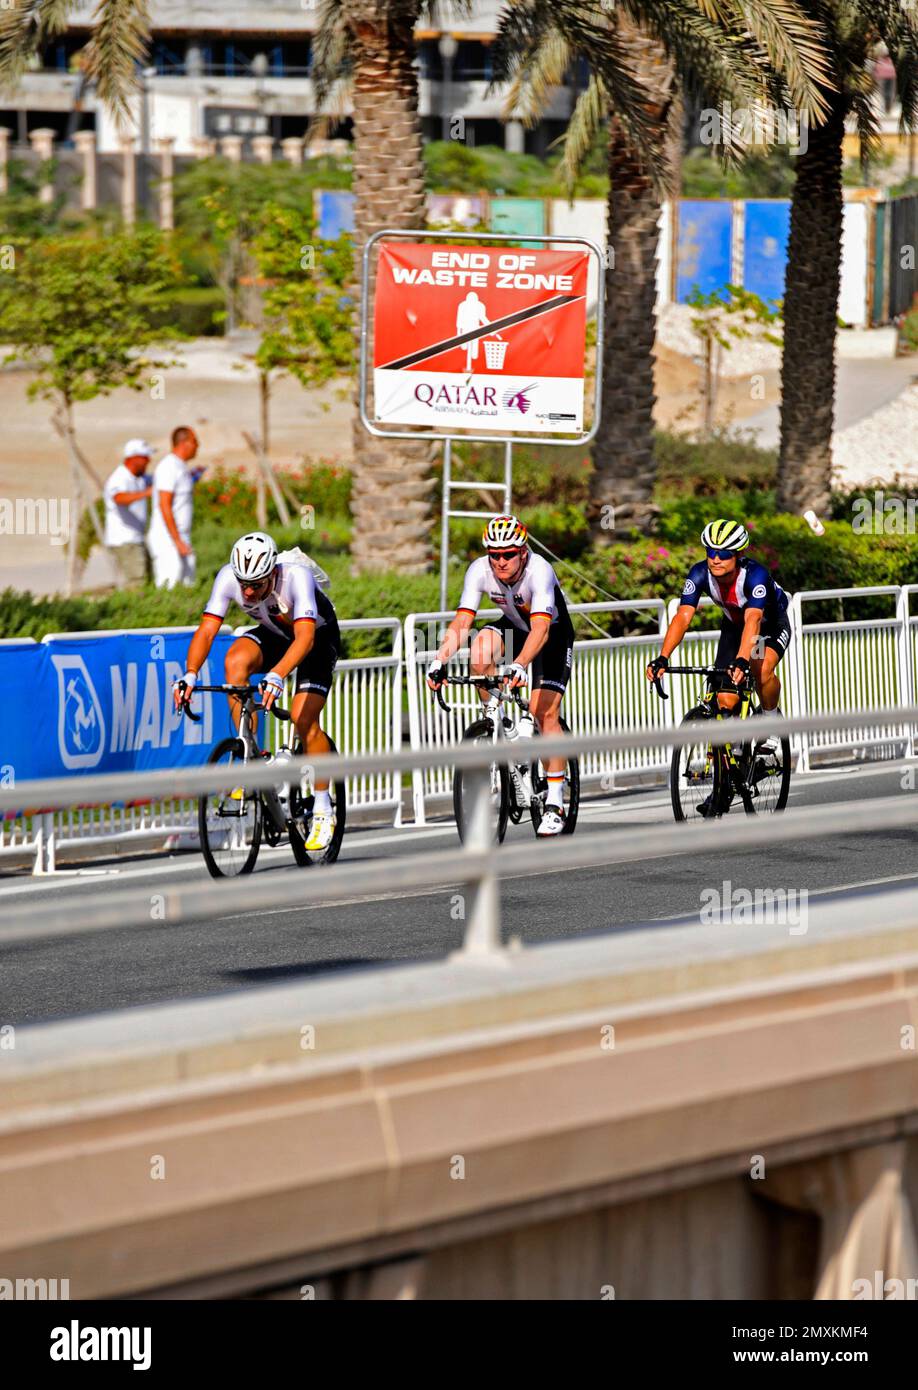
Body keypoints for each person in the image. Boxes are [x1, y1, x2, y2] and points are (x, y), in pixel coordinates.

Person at [174, 531, 341, 853]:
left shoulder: (296, 578)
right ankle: (251, 757)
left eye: (257, 585)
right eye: (243, 584)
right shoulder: (228, 578)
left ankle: (323, 806)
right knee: (235, 660)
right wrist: (190, 674)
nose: (248, 592)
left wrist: (278, 675)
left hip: (316, 640)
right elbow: (207, 630)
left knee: (302, 719)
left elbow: (305, 639)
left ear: (272, 574)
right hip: (277, 633)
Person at [427, 514, 575, 837]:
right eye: (494, 555)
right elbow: (463, 622)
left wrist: (520, 664)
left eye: (508, 554)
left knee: (543, 711)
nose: (501, 561)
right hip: (516, 628)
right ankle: (498, 722)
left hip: (550, 633)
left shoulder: (540, 571)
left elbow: (541, 630)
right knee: (479, 654)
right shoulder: (480, 571)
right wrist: (439, 659)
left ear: (523, 552)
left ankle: (554, 801)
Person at [646, 518, 792, 812]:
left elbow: (753, 620)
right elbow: (683, 617)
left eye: (724, 553)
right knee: (724, 699)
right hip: (734, 626)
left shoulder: (756, 576)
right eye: (710, 551)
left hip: (768, 625)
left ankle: (771, 719)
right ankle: (727, 778)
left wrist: (742, 658)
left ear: (738, 555)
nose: (715, 558)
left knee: (759, 667)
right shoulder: (700, 573)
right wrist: (663, 657)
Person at [147, 426, 201, 589]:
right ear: (184, 443)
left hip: (180, 536)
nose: (197, 446)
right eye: (194, 441)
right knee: (170, 582)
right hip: (167, 537)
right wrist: (176, 540)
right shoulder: (168, 466)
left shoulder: (180, 467)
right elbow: (164, 504)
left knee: (188, 583)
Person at [103, 439, 153, 588]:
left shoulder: (139, 477)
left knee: (146, 579)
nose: (148, 461)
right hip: (125, 540)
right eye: (145, 457)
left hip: (136, 538)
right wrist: (145, 494)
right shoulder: (119, 478)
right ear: (133, 458)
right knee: (137, 583)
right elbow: (118, 498)